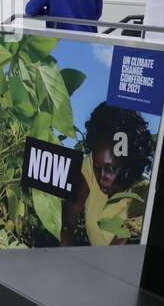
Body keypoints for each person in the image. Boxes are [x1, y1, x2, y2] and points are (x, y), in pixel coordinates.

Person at [61, 102, 155, 246]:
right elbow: (68, 216)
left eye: (111, 169)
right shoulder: (90, 165)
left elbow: (117, 253)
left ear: (129, 163)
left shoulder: (142, 196)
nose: (101, 176)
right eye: (98, 167)